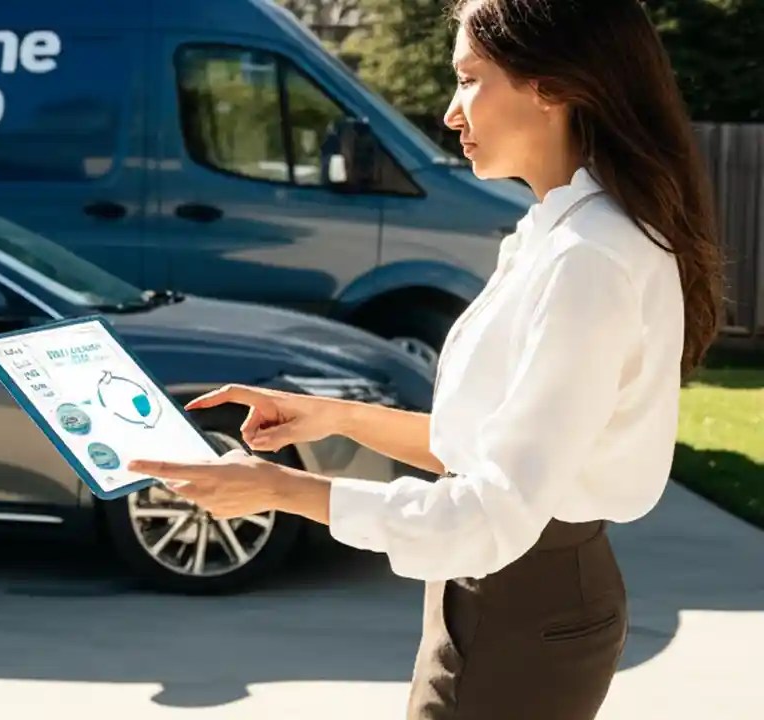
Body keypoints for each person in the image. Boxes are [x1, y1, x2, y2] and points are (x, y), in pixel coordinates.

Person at [128, 1, 724, 718]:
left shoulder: (587, 261)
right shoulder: (557, 234)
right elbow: (484, 451)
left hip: (519, 613)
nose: (449, 112)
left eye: (470, 80)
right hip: (507, 598)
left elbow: (490, 513)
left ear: (554, 86)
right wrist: (334, 417)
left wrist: (279, 489)